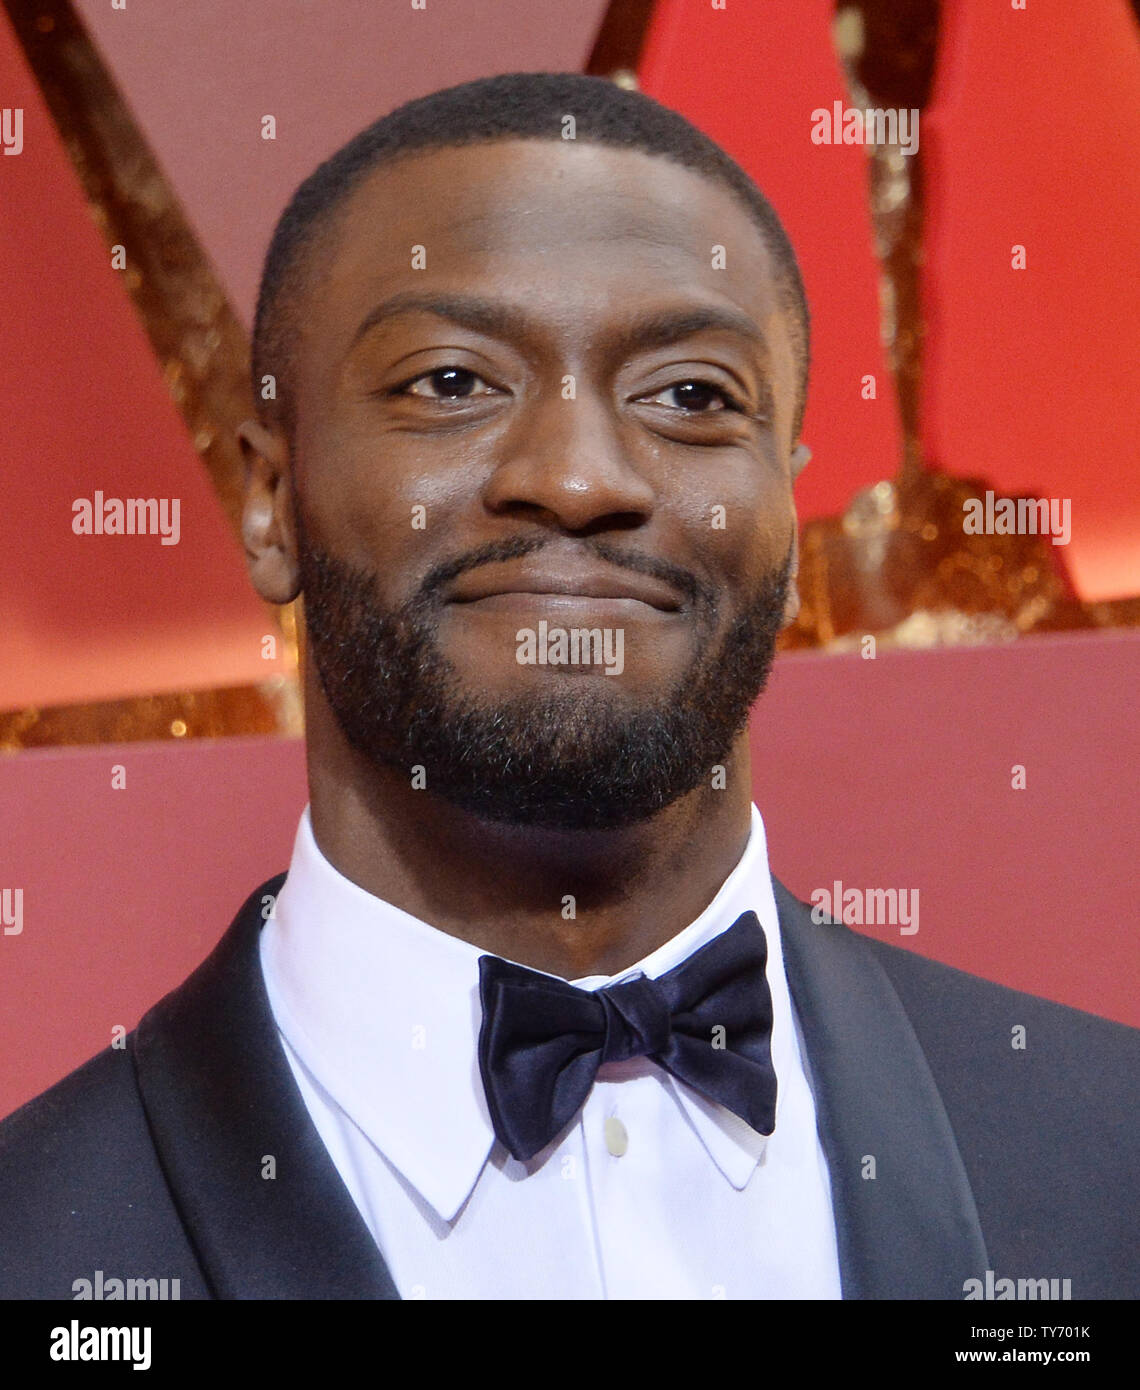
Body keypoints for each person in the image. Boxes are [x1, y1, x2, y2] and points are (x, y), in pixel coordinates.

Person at [1, 72, 1136, 1301]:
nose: (582, 478)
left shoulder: (1110, 1153)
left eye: (692, 395)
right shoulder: (35, 1248)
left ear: (791, 519)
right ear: (271, 503)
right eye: (452, 381)